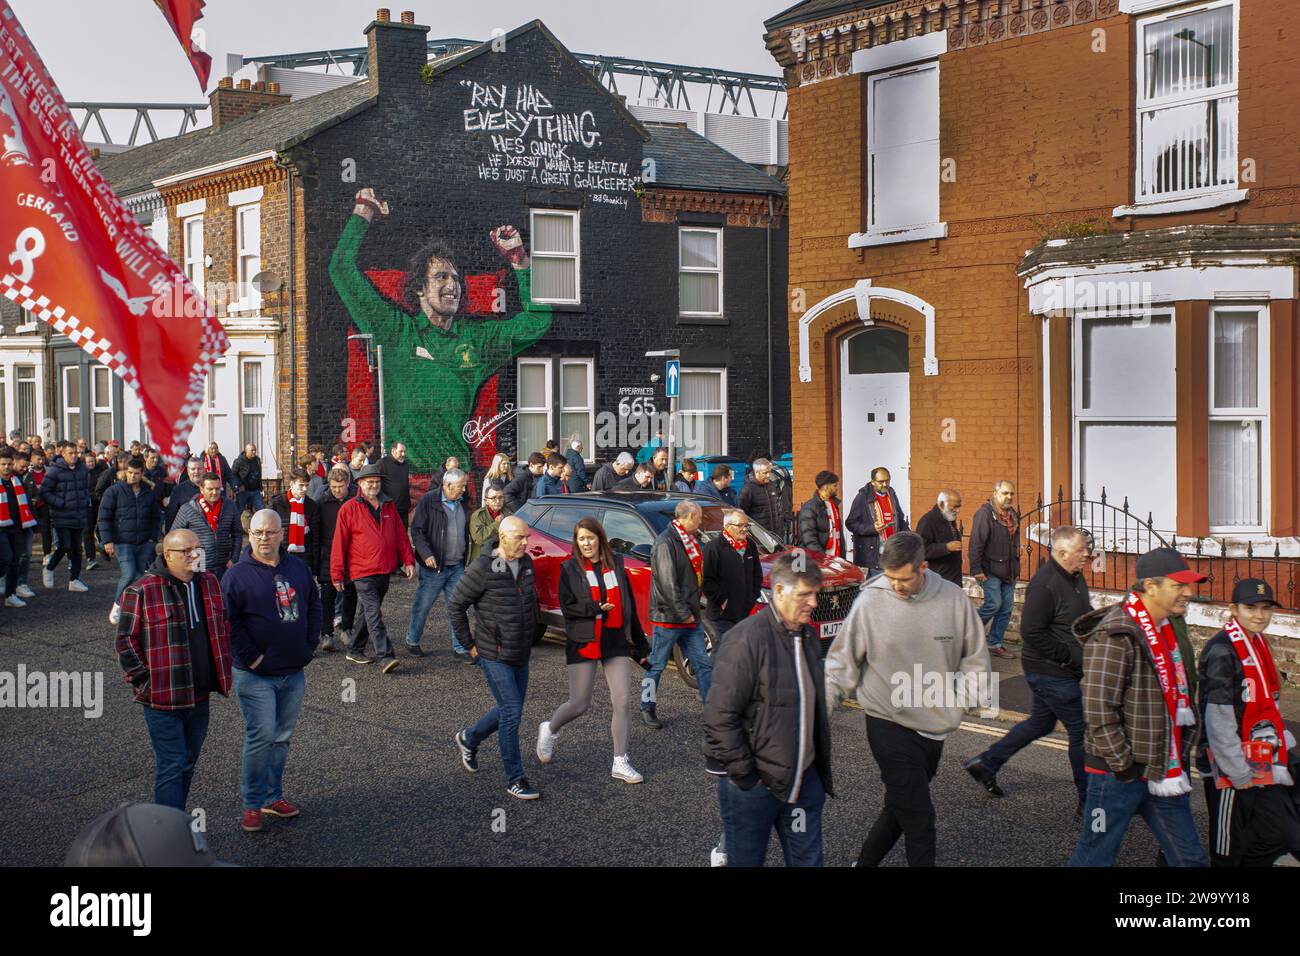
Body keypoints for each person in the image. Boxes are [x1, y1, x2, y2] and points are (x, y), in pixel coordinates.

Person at [329, 186, 551, 473]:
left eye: (456, 278)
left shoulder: (477, 340)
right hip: (406, 481)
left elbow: (537, 322)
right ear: (420, 288)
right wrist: (364, 211)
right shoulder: (395, 331)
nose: (452, 285)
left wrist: (520, 261)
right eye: (441, 276)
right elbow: (341, 269)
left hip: (457, 479)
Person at [825, 532, 990, 867]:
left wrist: (962, 701)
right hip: (886, 720)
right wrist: (817, 715)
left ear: (923, 568)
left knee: (898, 809)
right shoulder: (871, 601)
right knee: (919, 819)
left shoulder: (953, 600)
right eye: (890, 578)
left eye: (903, 579)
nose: (896, 587)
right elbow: (841, 662)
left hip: (933, 727)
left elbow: (974, 656)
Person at [1068, 547, 1209, 867]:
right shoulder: (1116, 633)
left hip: (1163, 770)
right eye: (1178, 585)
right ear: (1150, 586)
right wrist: (1123, 766)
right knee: (1094, 856)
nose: (1188, 593)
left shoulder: (1165, 629)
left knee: (1190, 859)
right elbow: (1098, 708)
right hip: (1115, 777)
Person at [704, 551, 832, 867]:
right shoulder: (745, 640)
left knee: (808, 861)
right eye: (804, 595)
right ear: (778, 592)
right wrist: (747, 776)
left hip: (802, 785)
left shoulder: (807, 637)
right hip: (754, 790)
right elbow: (719, 717)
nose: (813, 603)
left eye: (815, 594)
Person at [965, 526, 1091, 812]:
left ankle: (986, 763)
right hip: (1049, 670)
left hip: (1062, 668)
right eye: (1081, 550)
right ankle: (1089, 801)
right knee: (1082, 731)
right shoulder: (1045, 585)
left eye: (1086, 548)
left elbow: (1079, 616)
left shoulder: (1074, 575)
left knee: (1041, 723)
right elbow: (1032, 633)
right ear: (1061, 553)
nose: (1087, 554)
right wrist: (1071, 657)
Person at [115, 527, 232, 811]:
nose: (195, 555)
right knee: (171, 763)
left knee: (189, 761)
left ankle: (174, 821)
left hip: (200, 694)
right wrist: (146, 680)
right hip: (162, 698)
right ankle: (168, 832)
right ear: (167, 555)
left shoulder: (209, 583)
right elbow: (125, 642)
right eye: (186, 551)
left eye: (197, 549)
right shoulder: (141, 590)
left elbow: (223, 627)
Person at [222, 510, 321, 834]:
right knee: (261, 736)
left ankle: (272, 796)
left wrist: (310, 644)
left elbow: (314, 604)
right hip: (255, 675)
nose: (264, 538)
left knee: (281, 739)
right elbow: (229, 622)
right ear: (250, 534)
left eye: (270, 532)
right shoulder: (236, 576)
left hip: (293, 671)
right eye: (258, 532)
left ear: (282, 534)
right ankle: (252, 804)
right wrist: (252, 659)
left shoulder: (298, 568)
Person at [536, 517, 650, 783]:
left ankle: (620, 761)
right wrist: (595, 608)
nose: (586, 543)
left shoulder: (617, 564)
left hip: (614, 639)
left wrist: (640, 646)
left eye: (590, 537)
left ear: (600, 537)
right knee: (579, 704)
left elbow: (629, 606)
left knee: (622, 700)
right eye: (581, 539)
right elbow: (568, 608)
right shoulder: (570, 569)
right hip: (584, 637)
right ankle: (550, 728)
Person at [1198, 579, 1300, 866]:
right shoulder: (1222, 649)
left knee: (1279, 833)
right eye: (1250, 608)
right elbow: (1218, 718)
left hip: (1258, 756)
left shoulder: (1257, 642)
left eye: (1266, 608)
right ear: (1233, 609)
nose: (1259, 615)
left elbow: (1267, 700)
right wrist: (1238, 772)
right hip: (1228, 766)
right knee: (1227, 848)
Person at [450, 516, 544, 800]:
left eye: (527, 537)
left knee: (509, 708)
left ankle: (470, 737)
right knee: (512, 711)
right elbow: (456, 606)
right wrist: (470, 645)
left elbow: (530, 602)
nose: (526, 543)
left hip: (521, 651)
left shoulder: (526, 563)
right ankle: (515, 778)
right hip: (494, 653)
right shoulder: (483, 567)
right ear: (503, 538)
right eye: (520, 538)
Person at [330, 463, 415, 673]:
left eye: (377, 482)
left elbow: (401, 535)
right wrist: (337, 574)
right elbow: (339, 543)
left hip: (384, 569)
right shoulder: (348, 508)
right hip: (362, 571)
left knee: (368, 613)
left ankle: (355, 648)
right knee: (374, 612)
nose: (374, 485)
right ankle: (385, 655)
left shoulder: (389, 505)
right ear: (360, 483)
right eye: (370, 482)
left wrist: (409, 560)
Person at [640, 499, 713, 729]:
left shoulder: (689, 539)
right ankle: (647, 706)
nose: (701, 522)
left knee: (703, 663)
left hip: (689, 616)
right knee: (656, 665)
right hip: (670, 618)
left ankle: (713, 708)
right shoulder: (665, 543)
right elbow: (667, 585)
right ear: (688, 518)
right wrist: (684, 614)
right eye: (699, 518)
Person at [406, 467, 472, 660]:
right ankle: (412, 640)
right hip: (434, 568)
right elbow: (417, 530)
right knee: (423, 605)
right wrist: (426, 554)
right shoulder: (429, 500)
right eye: (461, 487)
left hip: (457, 565)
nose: (464, 490)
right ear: (448, 485)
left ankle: (460, 647)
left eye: (465, 486)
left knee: (459, 608)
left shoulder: (463, 500)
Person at [98, 456, 162, 625]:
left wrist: (153, 538)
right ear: (125, 472)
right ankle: (117, 605)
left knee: (142, 575)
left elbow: (156, 516)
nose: (133, 476)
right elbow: (104, 517)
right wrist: (107, 540)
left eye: (137, 473)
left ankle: (137, 607)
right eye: (130, 473)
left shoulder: (149, 493)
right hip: (122, 541)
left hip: (145, 541)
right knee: (129, 574)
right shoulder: (114, 491)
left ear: (142, 474)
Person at [968, 480, 1021, 660]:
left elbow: (1015, 539)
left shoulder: (1012, 514)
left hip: (1010, 570)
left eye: (1012, 494)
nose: (1009, 497)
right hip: (989, 570)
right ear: (996, 493)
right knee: (993, 604)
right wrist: (976, 569)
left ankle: (994, 644)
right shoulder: (985, 514)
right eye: (1005, 493)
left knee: (1006, 608)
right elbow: (975, 544)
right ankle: (967, 634)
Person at [702, 509, 763, 645]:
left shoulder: (750, 546)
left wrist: (752, 596)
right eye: (740, 525)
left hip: (744, 611)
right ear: (728, 526)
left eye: (747, 525)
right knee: (724, 650)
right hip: (722, 614)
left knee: (739, 652)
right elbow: (707, 581)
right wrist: (722, 600)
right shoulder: (713, 548)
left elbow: (757, 574)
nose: (745, 529)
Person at [39, 440, 91, 592]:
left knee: (77, 549)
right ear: (62, 454)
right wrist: (60, 503)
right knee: (64, 546)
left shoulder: (83, 469)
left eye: (76, 453)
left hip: (79, 514)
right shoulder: (54, 471)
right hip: (61, 515)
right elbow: (44, 492)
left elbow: (84, 489)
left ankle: (74, 579)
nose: (75, 456)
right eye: (71, 453)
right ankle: (49, 568)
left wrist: (85, 502)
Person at [315, 466, 356, 654]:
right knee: (327, 595)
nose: (337, 490)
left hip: (352, 554)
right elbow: (316, 531)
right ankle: (327, 634)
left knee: (350, 593)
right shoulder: (322, 502)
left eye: (340, 486)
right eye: (333, 486)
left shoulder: (356, 501)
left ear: (348, 483)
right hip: (329, 554)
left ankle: (346, 628)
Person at [171, 474, 242, 580]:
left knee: (223, 595)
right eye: (210, 489)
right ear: (202, 489)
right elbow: (175, 536)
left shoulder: (230, 506)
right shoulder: (188, 509)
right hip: (199, 566)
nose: (214, 492)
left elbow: (237, 533)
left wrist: (234, 559)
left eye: (217, 489)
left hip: (224, 565)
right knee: (203, 596)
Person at [846, 466, 908, 574]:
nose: (885, 484)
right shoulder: (862, 497)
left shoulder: (891, 493)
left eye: (887, 480)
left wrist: (909, 536)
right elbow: (850, 523)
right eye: (881, 481)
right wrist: (872, 528)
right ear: (873, 482)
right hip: (874, 557)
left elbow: (900, 518)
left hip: (892, 552)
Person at [0, 448, 37, 607]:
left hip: (17, 527)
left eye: (9, 464)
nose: (6, 467)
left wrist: (33, 525)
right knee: (6, 558)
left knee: (16, 561)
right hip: (1, 528)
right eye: (3, 464)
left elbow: (27, 503)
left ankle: (10, 595)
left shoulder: (17, 481)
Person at [270, 469, 322, 578]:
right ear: (291, 484)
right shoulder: (277, 503)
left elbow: (316, 537)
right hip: (281, 555)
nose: (304, 489)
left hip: (305, 557)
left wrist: (315, 565)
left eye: (307, 485)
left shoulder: (311, 506)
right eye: (301, 485)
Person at [914, 490, 964, 586]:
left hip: (953, 576)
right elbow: (920, 550)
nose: (958, 510)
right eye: (954, 507)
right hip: (937, 579)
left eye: (959, 506)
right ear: (941, 504)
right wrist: (946, 547)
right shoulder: (928, 521)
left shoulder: (948, 517)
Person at [797, 470, 846, 558]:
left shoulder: (834, 504)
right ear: (826, 487)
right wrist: (822, 558)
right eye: (834, 485)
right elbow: (809, 539)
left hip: (835, 557)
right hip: (820, 560)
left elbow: (838, 533)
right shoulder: (809, 507)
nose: (837, 488)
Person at [739, 458, 791, 542]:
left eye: (769, 472)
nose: (768, 475)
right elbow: (742, 514)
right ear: (756, 472)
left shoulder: (771, 485)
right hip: (758, 537)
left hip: (775, 535)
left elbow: (776, 509)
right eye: (765, 473)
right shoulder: (748, 490)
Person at [9, 452, 38, 600]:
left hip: (26, 522)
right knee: (9, 557)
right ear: (14, 463)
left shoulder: (26, 477)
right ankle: (7, 583)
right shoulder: (8, 479)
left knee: (26, 554)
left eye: (26, 466)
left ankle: (21, 584)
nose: (24, 469)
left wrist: (35, 524)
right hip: (11, 523)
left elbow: (31, 499)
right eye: (22, 466)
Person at [164, 457, 204, 532]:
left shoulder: (211, 487)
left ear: (204, 470)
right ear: (188, 471)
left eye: (199, 468)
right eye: (193, 469)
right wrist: (168, 536)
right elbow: (171, 515)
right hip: (186, 535)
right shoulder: (178, 490)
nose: (196, 472)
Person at [376, 441, 412, 526]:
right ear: (393, 451)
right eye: (401, 451)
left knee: (403, 534)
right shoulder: (382, 463)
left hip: (404, 507)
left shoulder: (405, 465)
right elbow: (375, 481)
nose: (403, 454)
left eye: (404, 451)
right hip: (389, 508)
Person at [469, 486, 507, 564]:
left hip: (502, 560)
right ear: (486, 501)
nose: (497, 501)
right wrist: (497, 524)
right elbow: (480, 538)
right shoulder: (478, 515)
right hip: (482, 561)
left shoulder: (508, 514)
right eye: (493, 498)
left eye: (500, 497)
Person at [29, 448, 51, 563]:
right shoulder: (27, 473)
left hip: (45, 504)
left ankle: (47, 554)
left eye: (42, 459)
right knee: (29, 531)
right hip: (31, 505)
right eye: (38, 459)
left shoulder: (48, 471)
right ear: (32, 459)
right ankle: (27, 554)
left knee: (46, 530)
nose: (41, 462)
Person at [232, 443, 264, 515]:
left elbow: (259, 474)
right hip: (243, 491)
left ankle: (263, 525)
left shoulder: (257, 460)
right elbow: (233, 474)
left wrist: (260, 487)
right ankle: (236, 526)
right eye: (252, 450)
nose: (254, 452)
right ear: (246, 451)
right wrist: (239, 485)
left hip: (255, 490)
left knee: (262, 510)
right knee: (239, 511)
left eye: (255, 450)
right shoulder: (239, 461)